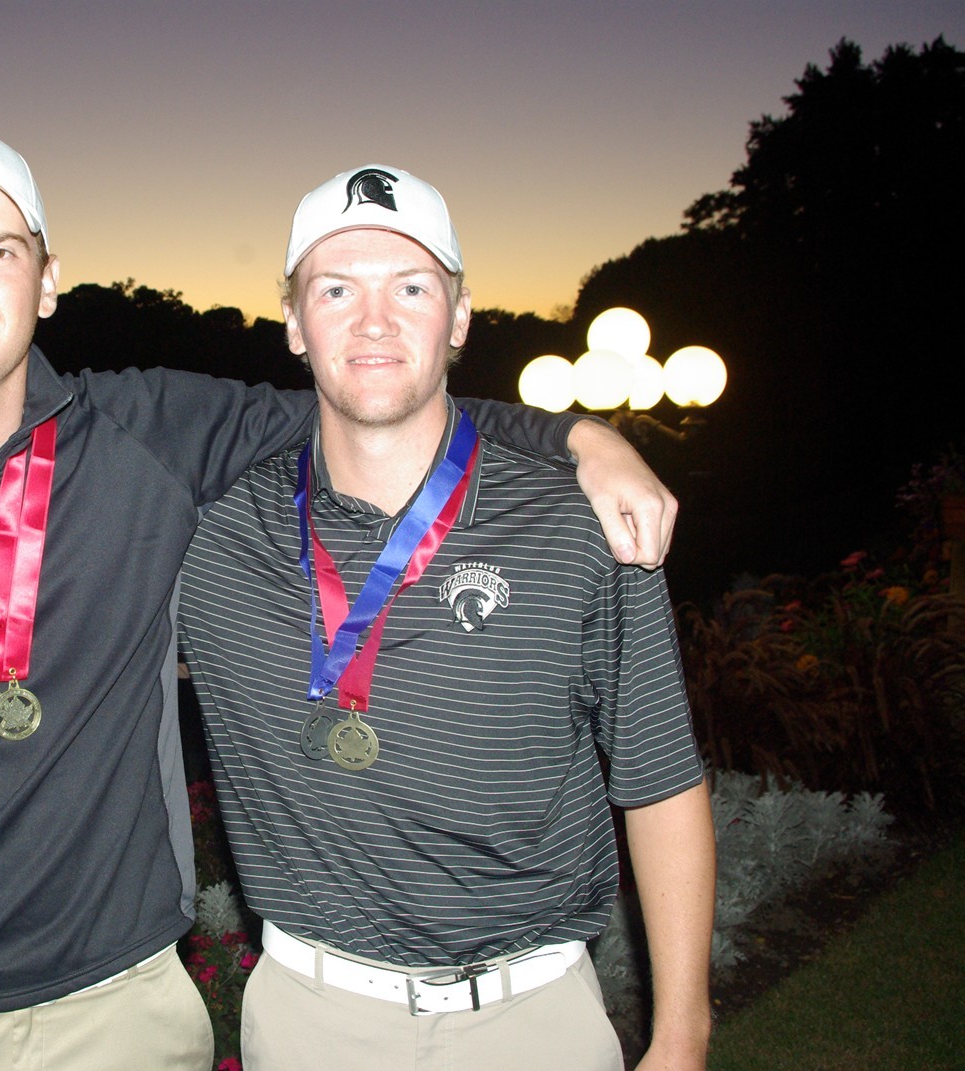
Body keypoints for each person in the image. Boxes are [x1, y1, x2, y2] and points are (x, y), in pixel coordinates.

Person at [0, 123, 678, 1071]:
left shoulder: (149, 435)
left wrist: (581, 438)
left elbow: (375, 398)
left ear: (48, 280)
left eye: (0, 251)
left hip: (127, 1010)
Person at [174, 165, 713, 1070]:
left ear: (459, 317)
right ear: (294, 323)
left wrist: (682, 1036)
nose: (374, 321)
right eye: (336, 290)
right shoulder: (214, 535)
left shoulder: (578, 523)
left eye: (412, 288)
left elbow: (659, 779)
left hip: (534, 1021)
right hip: (309, 1023)